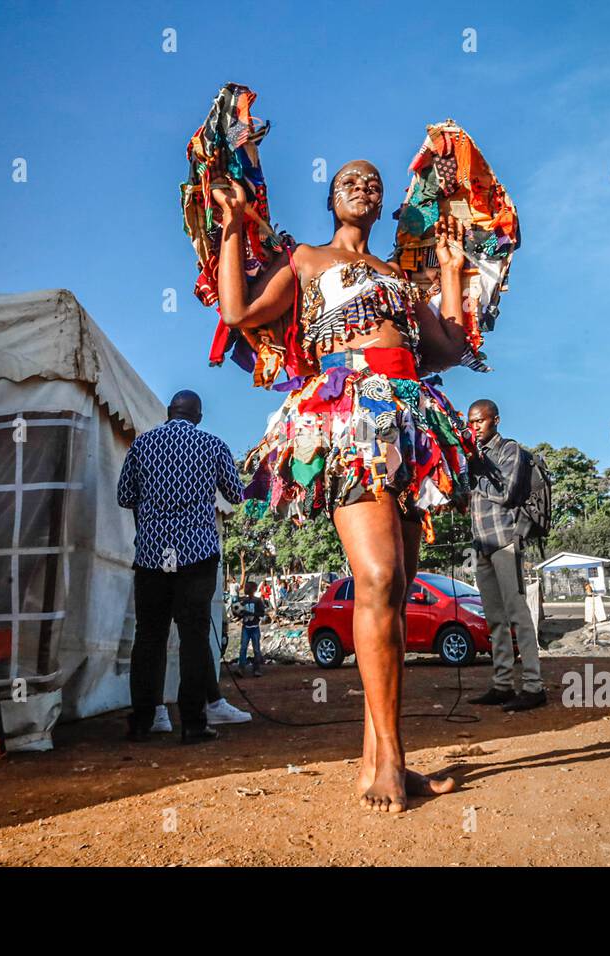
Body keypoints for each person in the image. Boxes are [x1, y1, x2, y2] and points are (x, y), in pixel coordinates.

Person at [215, 160, 473, 812]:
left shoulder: (397, 275)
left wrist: (447, 268)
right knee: (380, 578)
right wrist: (231, 230)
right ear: (330, 196)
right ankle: (389, 761)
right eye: (350, 179)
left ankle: (380, 761)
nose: (364, 184)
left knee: (394, 593)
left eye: (374, 181)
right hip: (348, 411)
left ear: (384, 205)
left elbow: (446, 349)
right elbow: (238, 310)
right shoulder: (304, 258)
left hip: (410, 421)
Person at [117, 389, 243, 745]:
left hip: (152, 557)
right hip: (197, 556)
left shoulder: (142, 446)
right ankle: (193, 723)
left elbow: (124, 496)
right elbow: (235, 494)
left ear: (168, 412)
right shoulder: (213, 445)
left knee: (149, 637)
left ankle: (144, 721)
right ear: (198, 417)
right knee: (193, 637)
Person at [464, 399, 546, 711]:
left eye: (480, 421)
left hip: (506, 540)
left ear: (495, 420)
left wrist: (475, 482)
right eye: (471, 422)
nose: (474, 428)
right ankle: (502, 684)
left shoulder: (509, 450)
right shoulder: (476, 456)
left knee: (518, 615)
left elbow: (506, 493)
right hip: (481, 543)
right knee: (495, 619)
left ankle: (533, 686)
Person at [235, 581, 267, 677]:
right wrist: (238, 615)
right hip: (246, 628)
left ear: (253, 589)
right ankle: (241, 668)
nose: (246, 589)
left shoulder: (257, 601)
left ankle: (256, 669)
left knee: (256, 649)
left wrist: (251, 614)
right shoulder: (243, 601)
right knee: (243, 648)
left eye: (248, 587)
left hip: (254, 628)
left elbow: (262, 613)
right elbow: (239, 613)